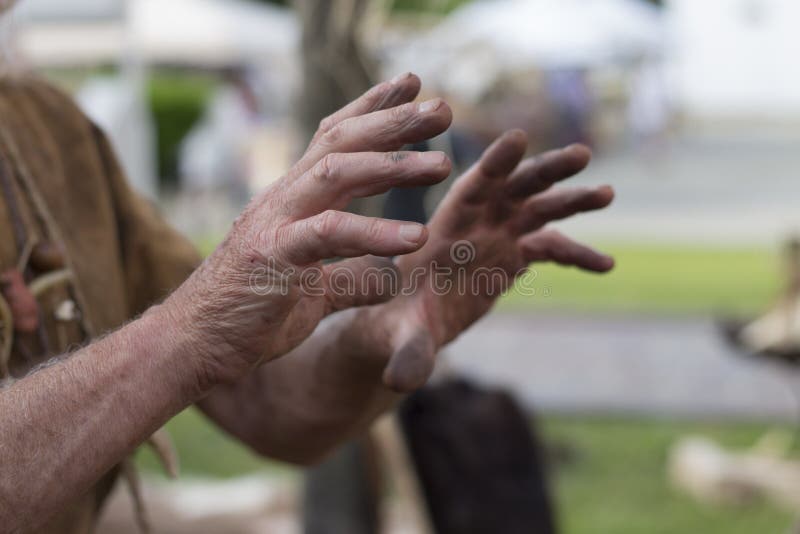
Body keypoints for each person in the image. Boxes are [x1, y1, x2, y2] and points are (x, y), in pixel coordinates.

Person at [0, 20, 615, 534]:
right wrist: (185, 334)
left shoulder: (50, 129)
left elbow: (260, 400)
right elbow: (194, 343)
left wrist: (371, 333)